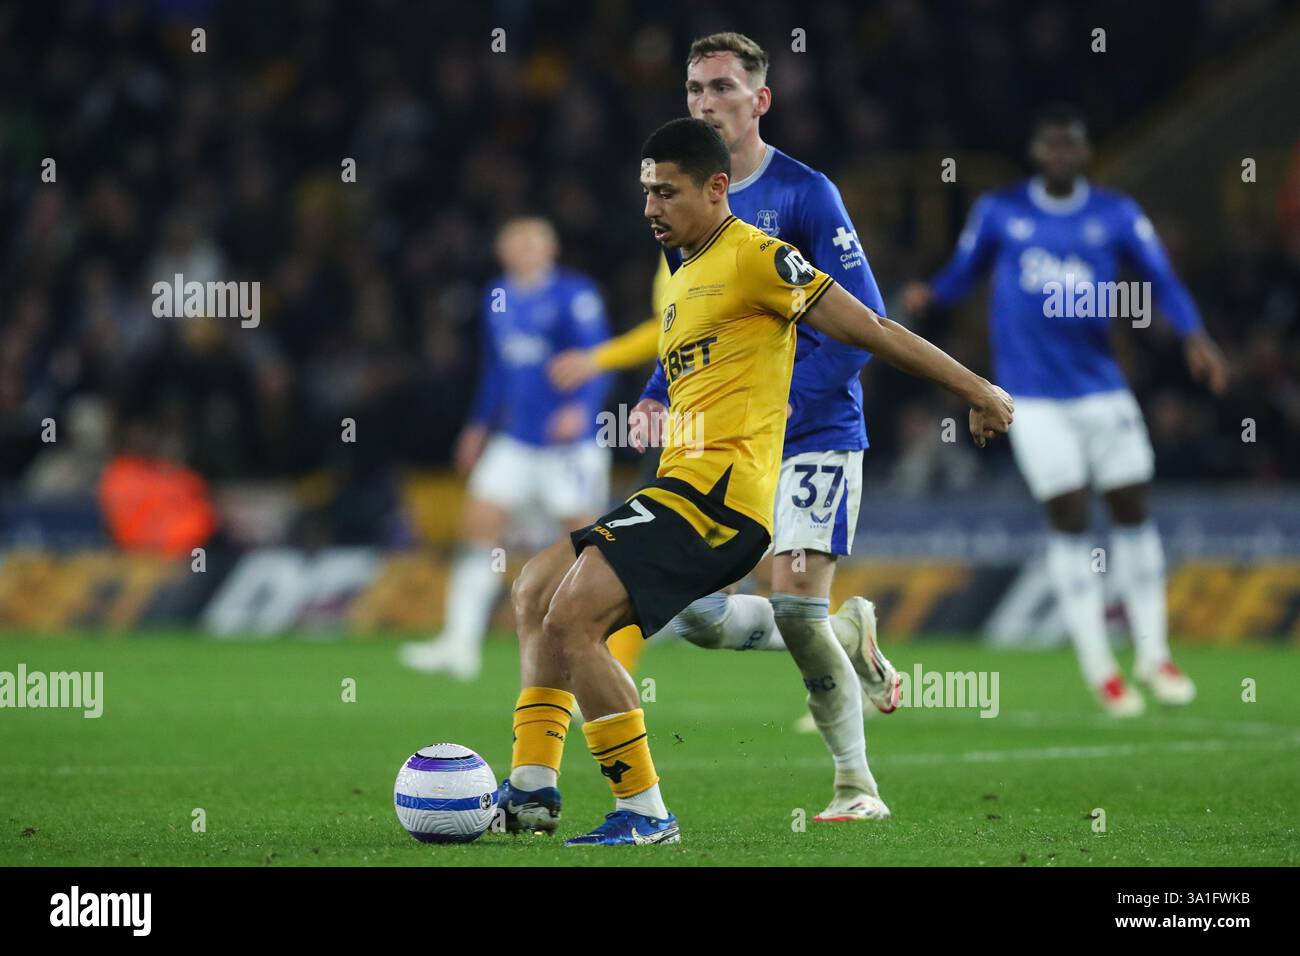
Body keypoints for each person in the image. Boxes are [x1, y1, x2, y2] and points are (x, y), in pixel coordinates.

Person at [498, 117, 1013, 847]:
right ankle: (531, 791)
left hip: (722, 503)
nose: (651, 207)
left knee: (574, 616)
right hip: (678, 490)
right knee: (535, 589)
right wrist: (653, 395)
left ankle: (645, 816)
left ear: (715, 189)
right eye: (646, 192)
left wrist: (978, 389)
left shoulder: (758, 258)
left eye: (667, 192)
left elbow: (871, 326)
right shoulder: (681, 273)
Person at [548, 31, 901, 822]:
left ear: (759, 100)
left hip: (813, 430)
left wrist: (773, 406)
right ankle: (853, 637)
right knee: (699, 617)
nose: (705, 102)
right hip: (712, 445)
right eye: (694, 91)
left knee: (797, 609)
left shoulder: (808, 195)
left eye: (721, 89)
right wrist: (651, 390)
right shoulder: (684, 203)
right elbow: (692, 327)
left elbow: (867, 323)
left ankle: (856, 786)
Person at [904, 104, 1229, 715]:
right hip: (1033, 398)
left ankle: (1154, 655)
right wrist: (928, 296)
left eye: (1070, 146)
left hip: (1103, 388)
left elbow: (1161, 279)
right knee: (1070, 513)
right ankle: (1101, 667)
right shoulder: (1001, 212)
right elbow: (963, 273)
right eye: (1050, 145)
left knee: (1132, 507)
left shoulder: (1116, 214)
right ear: (1038, 152)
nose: (1059, 155)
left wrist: (1193, 335)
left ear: (1083, 153)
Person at [400, 217, 612, 680]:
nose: (526, 249)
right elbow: (496, 372)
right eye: (517, 242)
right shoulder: (497, 297)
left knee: (587, 545)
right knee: (477, 524)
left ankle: (599, 656)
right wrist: (477, 427)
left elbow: (601, 359)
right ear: (502, 250)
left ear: (551, 248)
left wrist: (583, 406)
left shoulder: (575, 294)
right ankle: (458, 646)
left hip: (569, 446)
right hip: (515, 439)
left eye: (535, 241)